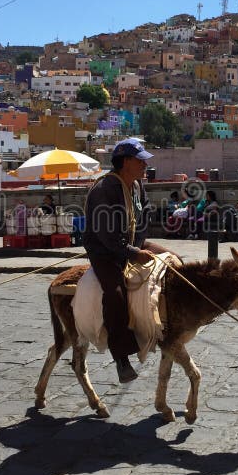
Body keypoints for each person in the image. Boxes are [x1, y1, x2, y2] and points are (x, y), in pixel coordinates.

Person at [83, 138, 173, 384]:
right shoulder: (104, 189)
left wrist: (138, 247)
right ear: (125, 162)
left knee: (172, 260)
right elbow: (106, 235)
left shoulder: (137, 186)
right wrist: (132, 254)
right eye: (140, 160)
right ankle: (121, 357)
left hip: (132, 243)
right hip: (105, 252)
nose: (145, 165)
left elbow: (144, 215)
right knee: (116, 295)